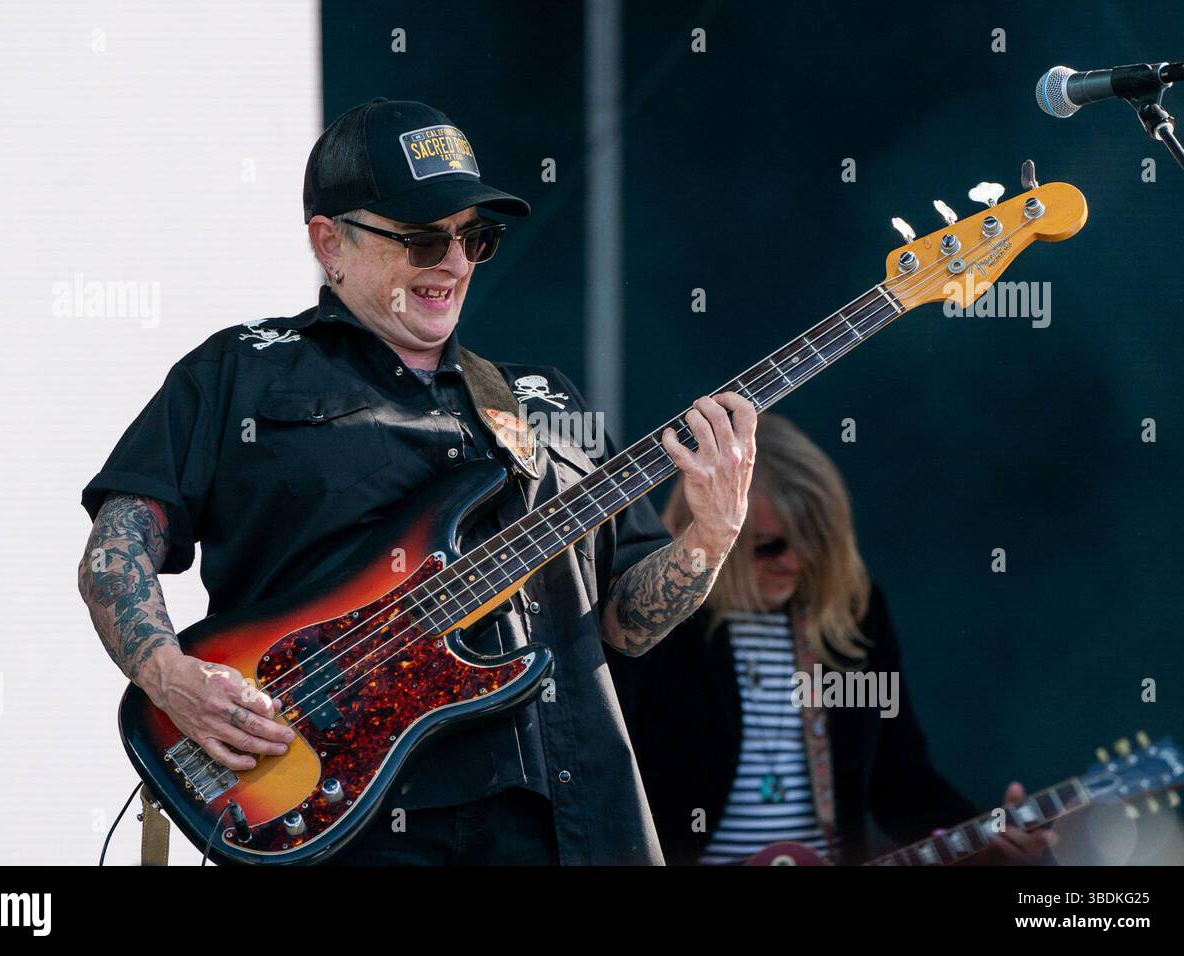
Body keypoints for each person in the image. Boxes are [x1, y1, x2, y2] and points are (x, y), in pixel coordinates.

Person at [77, 98, 757, 865]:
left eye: (475, 237)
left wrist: (710, 537)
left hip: (560, 817)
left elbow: (627, 624)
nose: (455, 262)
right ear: (329, 243)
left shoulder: (543, 401)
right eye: (425, 238)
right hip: (337, 820)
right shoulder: (240, 371)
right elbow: (118, 543)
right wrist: (167, 675)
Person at [608, 414, 1055, 865]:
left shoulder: (854, 616)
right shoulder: (651, 620)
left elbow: (900, 780)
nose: (795, 562)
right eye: (770, 545)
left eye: (813, 543)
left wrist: (987, 839)